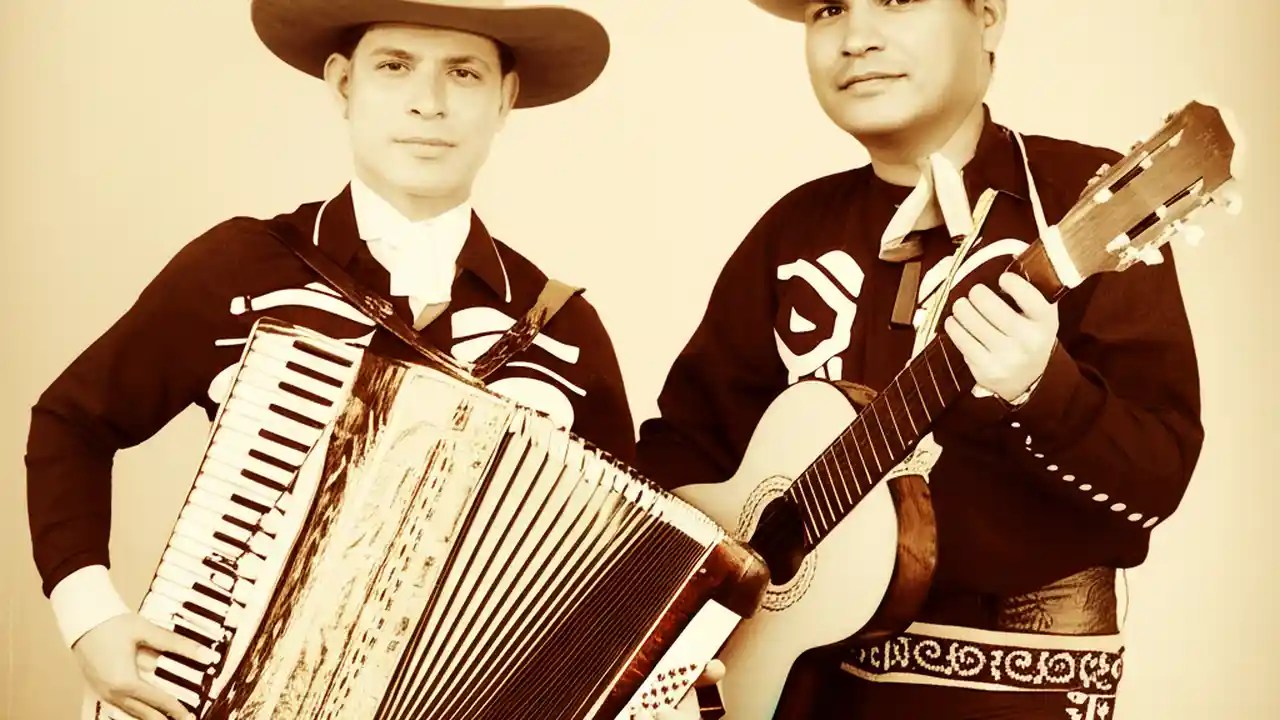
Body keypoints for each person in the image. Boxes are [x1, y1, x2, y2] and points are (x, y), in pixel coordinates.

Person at [24, 1, 655, 718]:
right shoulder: (238, 268)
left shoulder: (564, 332)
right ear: (341, 83)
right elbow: (71, 422)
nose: (429, 102)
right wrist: (87, 613)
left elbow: (629, 574)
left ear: (504, 99)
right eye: (394, 67)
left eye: (465, 73)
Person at [634, 1, 1203, 718]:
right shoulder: (794, 226)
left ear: (989, 17)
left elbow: (1157, 477)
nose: (858, 38)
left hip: (1011, 695)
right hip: (790, 687)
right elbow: (685, 447)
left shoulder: (1081, 203)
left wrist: (1041, 389)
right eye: (829, 9)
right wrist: (692, 613)